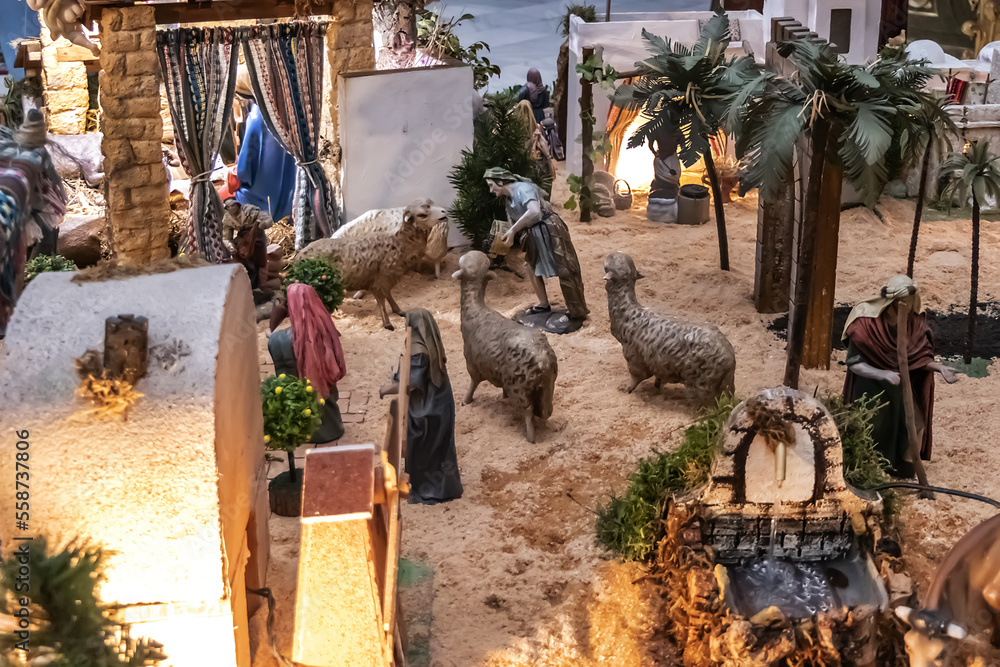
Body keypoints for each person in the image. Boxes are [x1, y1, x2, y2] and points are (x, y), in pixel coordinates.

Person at [842, 276, 959, 478]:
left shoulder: (914, 323)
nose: (906, 306)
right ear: (892, 301)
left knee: (916, 424)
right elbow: (854, 363)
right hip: (869, 386)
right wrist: (882, 374)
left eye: (909, 302)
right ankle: (869, 471)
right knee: (873, 427)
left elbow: (919, 356)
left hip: (898, 385)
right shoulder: (865, 324)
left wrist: (940, 368)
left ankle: (905, 471)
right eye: (901, 302)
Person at [380, 309, 463, 505]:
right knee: (439, 449)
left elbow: (413, 382)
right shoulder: (429, 341)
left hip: (429, 410)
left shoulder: (419, 349)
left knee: (425, 449)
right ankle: (439, 487)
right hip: (438, 404)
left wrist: (388, 388)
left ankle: (431, 491)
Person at [488, 167, 588, 321]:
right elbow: (514, 222)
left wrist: (513, 230)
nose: (490, 190)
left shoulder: (523, 189)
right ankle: (543, 303)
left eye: (491, 185)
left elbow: (534, 211)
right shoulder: (508, 200)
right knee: (532, 267)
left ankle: (577, 310)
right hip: (533, 233)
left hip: (549, 228)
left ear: (500, 181)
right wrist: (506, 237)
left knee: (565, 267)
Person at [268, 283, 347, 444]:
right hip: (333, 424)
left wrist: (276, 315)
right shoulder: (327, 333)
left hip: (301, 424)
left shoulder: (280, 340)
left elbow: (282, 382)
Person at [220, 67, 297, 222]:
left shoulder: (258, 115)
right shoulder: (289, 108)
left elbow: (246, 169)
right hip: (291, 196)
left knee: (222, 197)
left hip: (262, 199)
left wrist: (235, 172)